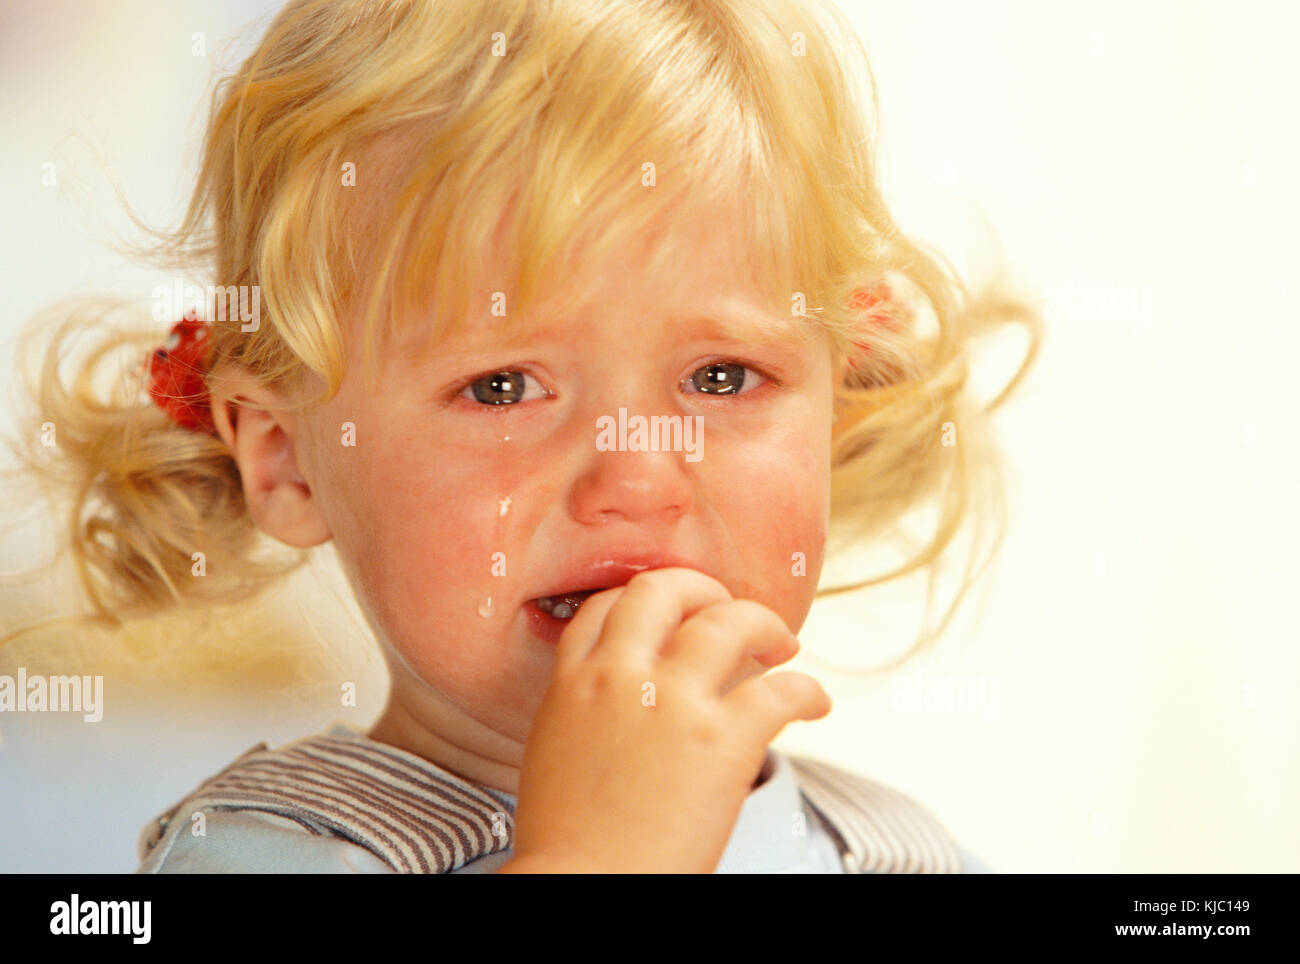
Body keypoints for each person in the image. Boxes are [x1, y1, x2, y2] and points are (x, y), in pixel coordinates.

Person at [8, 0, 1040, 873]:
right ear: (286, 456)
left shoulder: (890, 849)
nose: (637, 477)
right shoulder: (262, 850)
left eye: (722, 376)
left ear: (836, 408)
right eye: (502, 386)